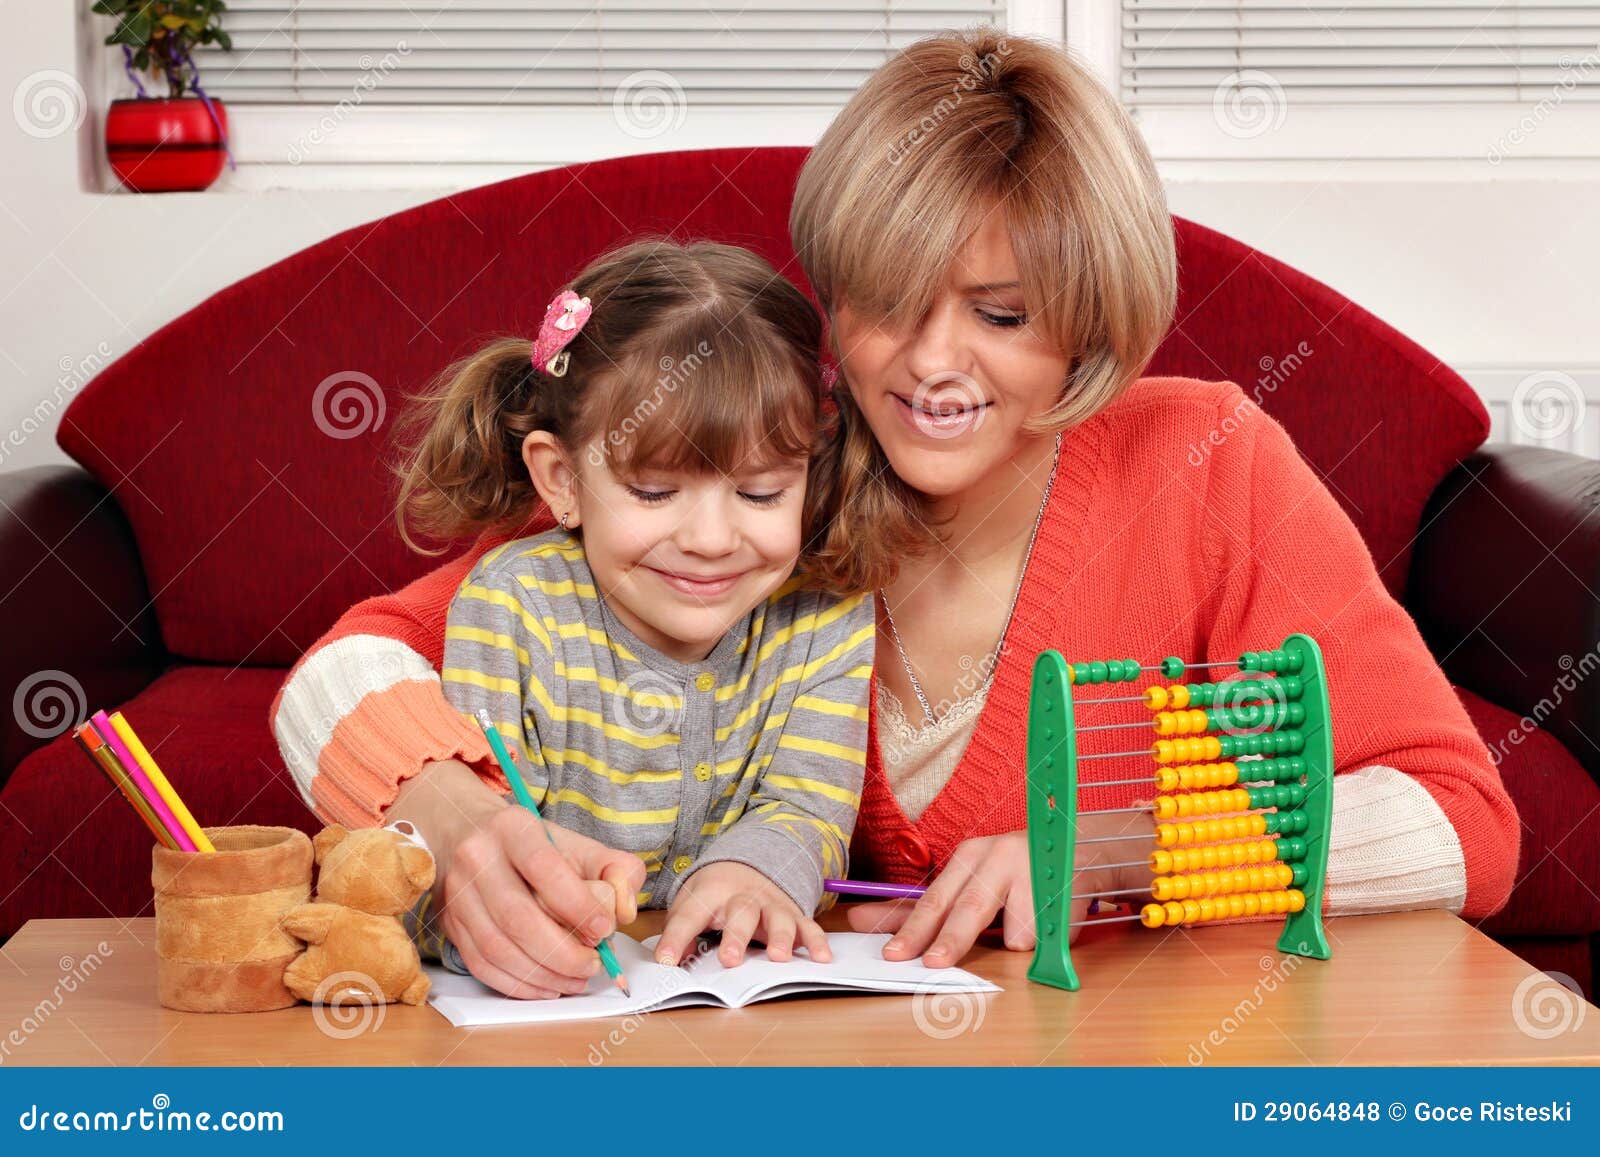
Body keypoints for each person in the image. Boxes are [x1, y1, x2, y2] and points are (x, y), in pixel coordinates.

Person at [273, 30, 1517, 991]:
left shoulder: (1206, 458)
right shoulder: (760, 473)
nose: (930, 365)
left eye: (1003, 314)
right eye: (888, 300)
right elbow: (345, 672)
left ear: (1089, 316)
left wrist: (1122, 855)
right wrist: (453, 806)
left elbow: (1459, 822)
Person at [276, 239, 892, 998]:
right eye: (657, 493)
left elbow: (807, 802)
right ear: (561, 480)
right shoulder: (511, 608)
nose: (710, 540)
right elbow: (481, 845)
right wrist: (512, 918)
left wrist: (756, 869)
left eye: (761, 494)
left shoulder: (824, 611)